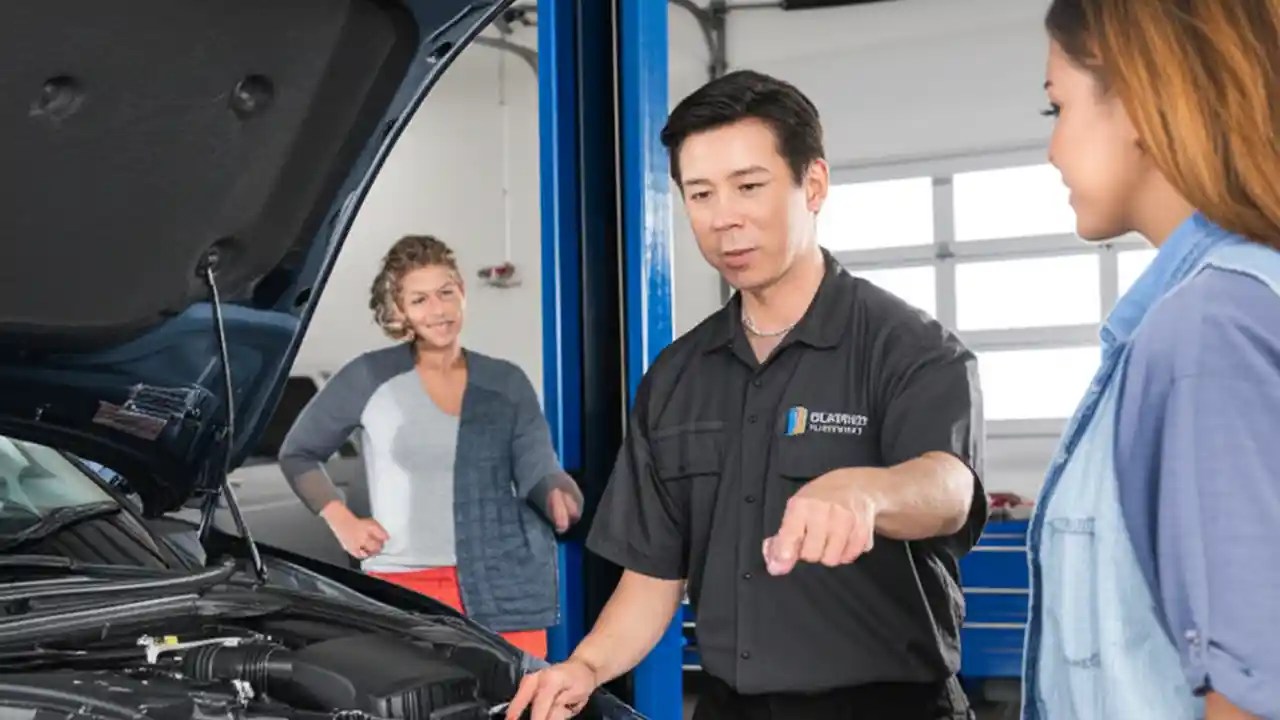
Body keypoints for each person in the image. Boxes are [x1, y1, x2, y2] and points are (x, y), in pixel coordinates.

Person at [507, 70, 987, 720]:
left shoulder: (908, 348)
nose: (724, 218)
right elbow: (654, 576)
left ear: (812, 185)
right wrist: (586, 666)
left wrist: (868, 492)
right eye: (700, 194)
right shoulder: (677, 376)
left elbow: (949, 492)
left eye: (750, 186)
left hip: (891, 706)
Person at [1022, 2, 1280, 719]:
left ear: (1136, 99)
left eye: (1057, 109)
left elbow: (1253, 692)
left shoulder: (1211, 329)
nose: (1053, 150)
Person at [277, 234, 583, 659]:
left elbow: (537, 464)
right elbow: (298, 453)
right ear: (399, 310)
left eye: (446, 293)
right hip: (407, 582)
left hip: (504, 581)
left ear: (462, 292)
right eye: (419, 300)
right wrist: (341, 520)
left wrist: (557, 494)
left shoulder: (506, 381)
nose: (438, 310)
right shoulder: (369, 377)